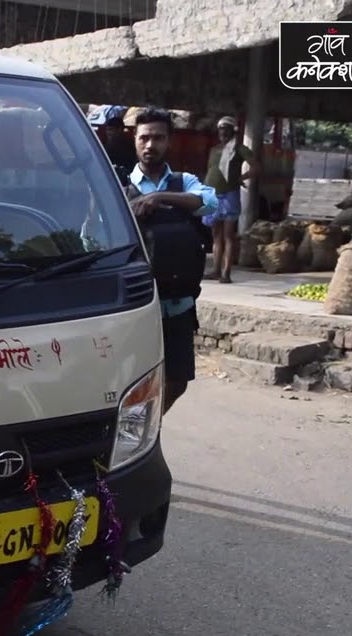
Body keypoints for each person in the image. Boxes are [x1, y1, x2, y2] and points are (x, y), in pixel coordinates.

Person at [125, 107, 217, 415]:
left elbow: (209, 203)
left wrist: (159, 198)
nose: (151, 145)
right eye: (145, 138)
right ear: (135, 140)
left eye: (158, 138)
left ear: (169, 141)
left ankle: (145, 426)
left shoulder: (185, 182)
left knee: (177, 380)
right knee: (131, 381)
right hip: (136, 307)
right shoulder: (119, 185)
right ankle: (133, 432)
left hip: (179, 306)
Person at [203, 116, 259, 283]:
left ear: (233, 131)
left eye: (226, 129)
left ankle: (226, 272)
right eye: (221, 129)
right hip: (212, 195)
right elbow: (210, 170)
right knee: (216, 235)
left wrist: (241, 177)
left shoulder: (239, 149)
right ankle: (215, 270)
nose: (223, 132)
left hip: (229, 195)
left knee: (228, 235)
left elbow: (256, 167)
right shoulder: (214, 150)